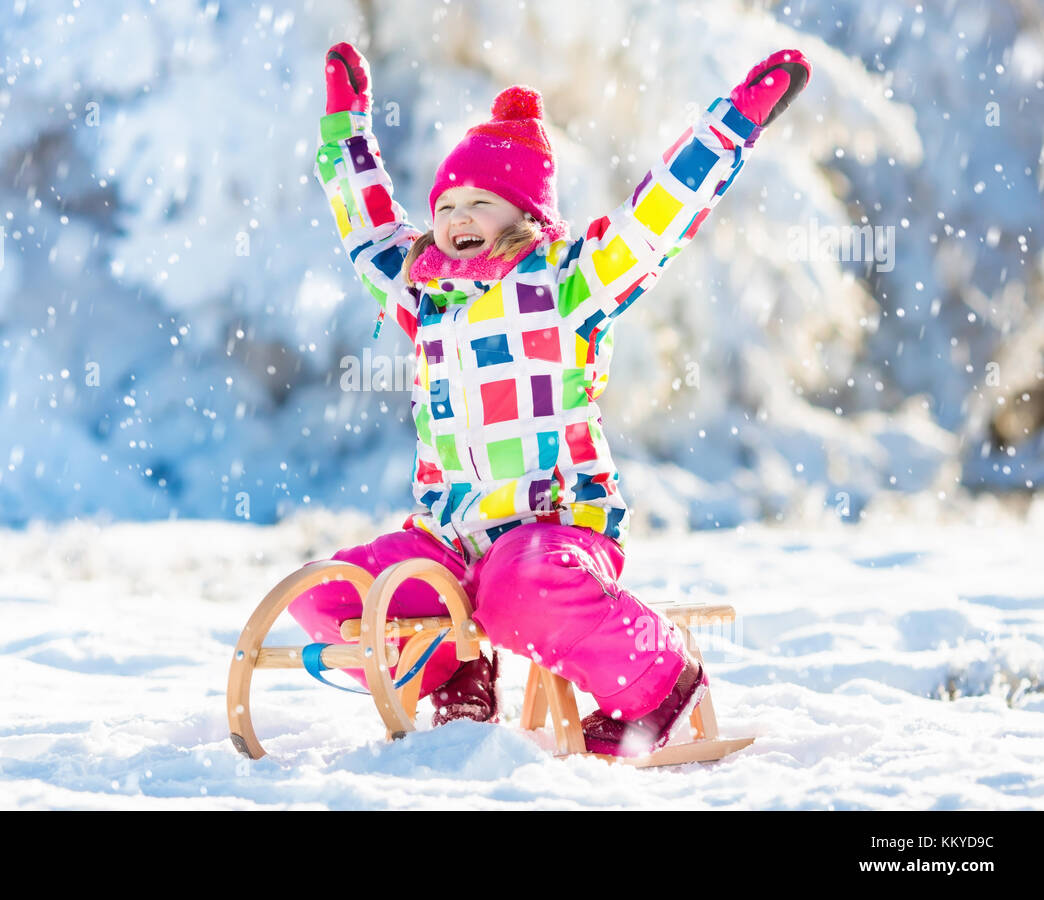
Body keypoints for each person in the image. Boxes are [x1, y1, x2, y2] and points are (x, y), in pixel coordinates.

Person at [288, 41, 810, 756]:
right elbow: (368, 228)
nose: (455, 215)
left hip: (553, 533)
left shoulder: (568, 286)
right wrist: (344, 133)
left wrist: (733, 125)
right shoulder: (426, 295)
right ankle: (458, 676)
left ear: (525, 216)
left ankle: (665, 689)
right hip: (450, 541)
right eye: (445, 204)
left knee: (519, 588)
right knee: (330, 593)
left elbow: (653, 222)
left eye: (479, 201)